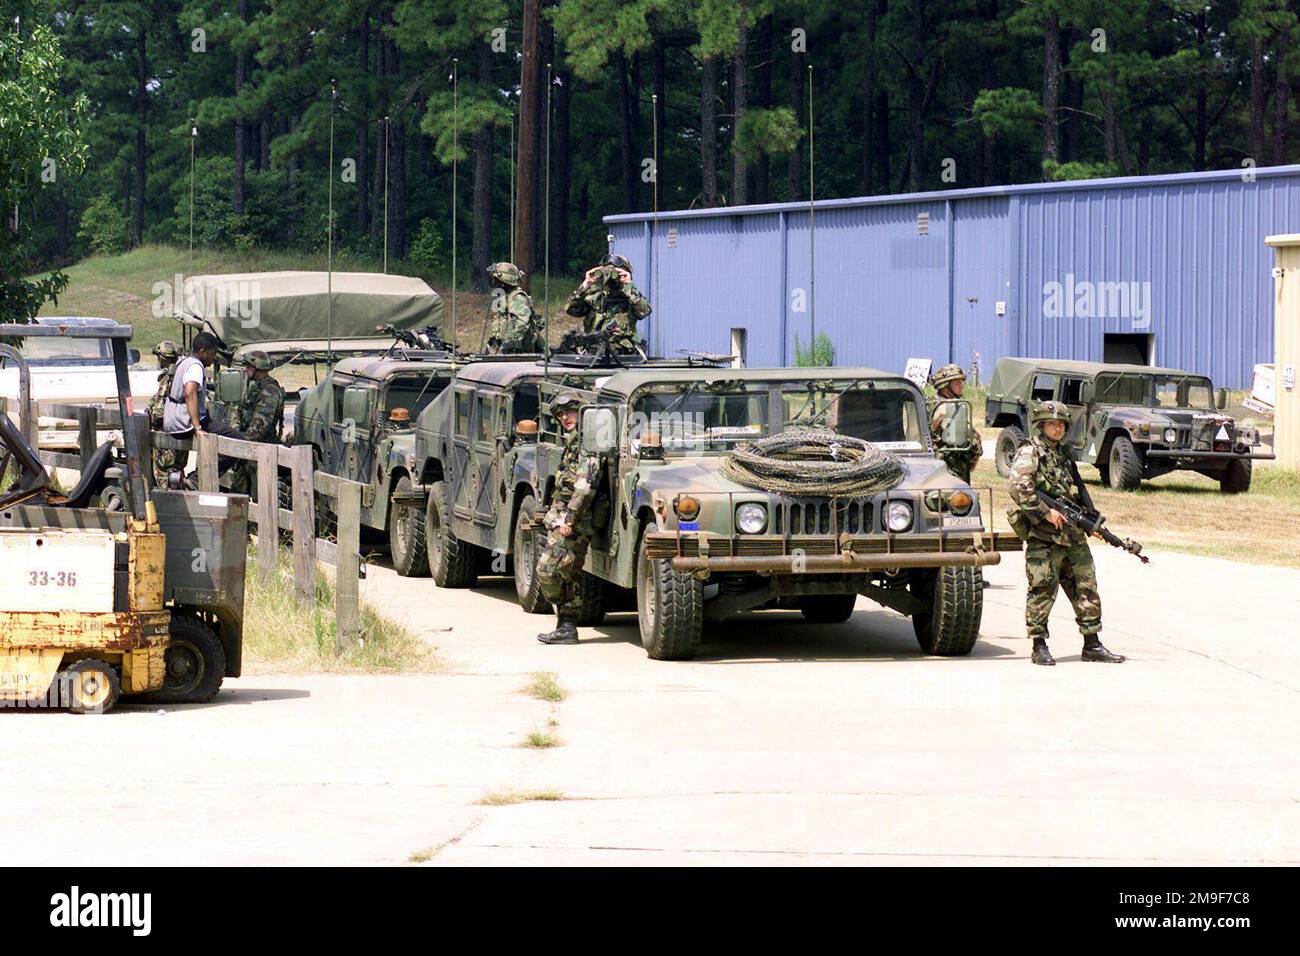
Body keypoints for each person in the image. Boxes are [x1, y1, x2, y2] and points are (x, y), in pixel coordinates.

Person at [1007, 400, 1126, 666]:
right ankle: (1039, 646)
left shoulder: (1062, 454)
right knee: (1042, 588)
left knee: (1086, 586)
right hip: (1045, 536)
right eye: (1052, 424)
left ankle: (1092, 644)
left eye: (1061, 424)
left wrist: (1089, 519)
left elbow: (1074, 492)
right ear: (1041, 425)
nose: (1058, 428)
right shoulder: (1031, 452)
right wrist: (1045, 513)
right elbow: (1018, 488)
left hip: (1072, 535)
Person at [535, 392, 602, 645]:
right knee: (567, 573)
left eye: (570, 412)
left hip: (575, 523)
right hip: (565, 519)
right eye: (561, 415)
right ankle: (566, 627)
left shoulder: (589, 444)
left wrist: (570, 520)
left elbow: (585, 487)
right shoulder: (575, 442)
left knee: (547, 570)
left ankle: (567, 625)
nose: (565, 417)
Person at [162, 332, 245, 441]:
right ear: (202, 352)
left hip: (172, 423)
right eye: (213, 353)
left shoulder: (184, 362)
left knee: (219, 427)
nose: (214, 357)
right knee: (238, 439)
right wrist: (197, 428)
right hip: (186, 425)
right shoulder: (195, 366)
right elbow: (190, 393)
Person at [564, 253, 651, 352]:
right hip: (591, 353)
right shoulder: (596, 297)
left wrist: (628, 285)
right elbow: (570, 309)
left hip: (619, 355)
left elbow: (644, 310)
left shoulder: (630, 297)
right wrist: (586, 284)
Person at [229, 350, 285, 495]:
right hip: (249, 452)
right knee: (238, 495)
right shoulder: (255, 386)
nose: (246, 369)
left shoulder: (270, 390)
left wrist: (241, 445)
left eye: (248, 366)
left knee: (259, 496)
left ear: (256, 368)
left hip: (261, 452)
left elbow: (259, 426)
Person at [928, 363, 982, 483]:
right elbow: (974, 440)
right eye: (957, 383)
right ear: (945, 386)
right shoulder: (948, 407)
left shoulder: (929, 403)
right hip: (952, 466)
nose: (962, 386)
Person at [484, 262, 543, 354]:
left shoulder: (517, 297)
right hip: (505, 349)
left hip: (517, 351)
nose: (494, 282)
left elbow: (521, 324)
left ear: (503, 280)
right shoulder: (505, 297)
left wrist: (510, 344)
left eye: (496, 279)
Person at [146, 340, 181, 486]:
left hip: (166, 436)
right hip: (175, 433)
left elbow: (159, 411)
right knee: (173, 473)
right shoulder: (178, 375)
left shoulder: (168, 379)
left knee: (163, 473)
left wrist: (151, 419)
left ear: (163, 358)